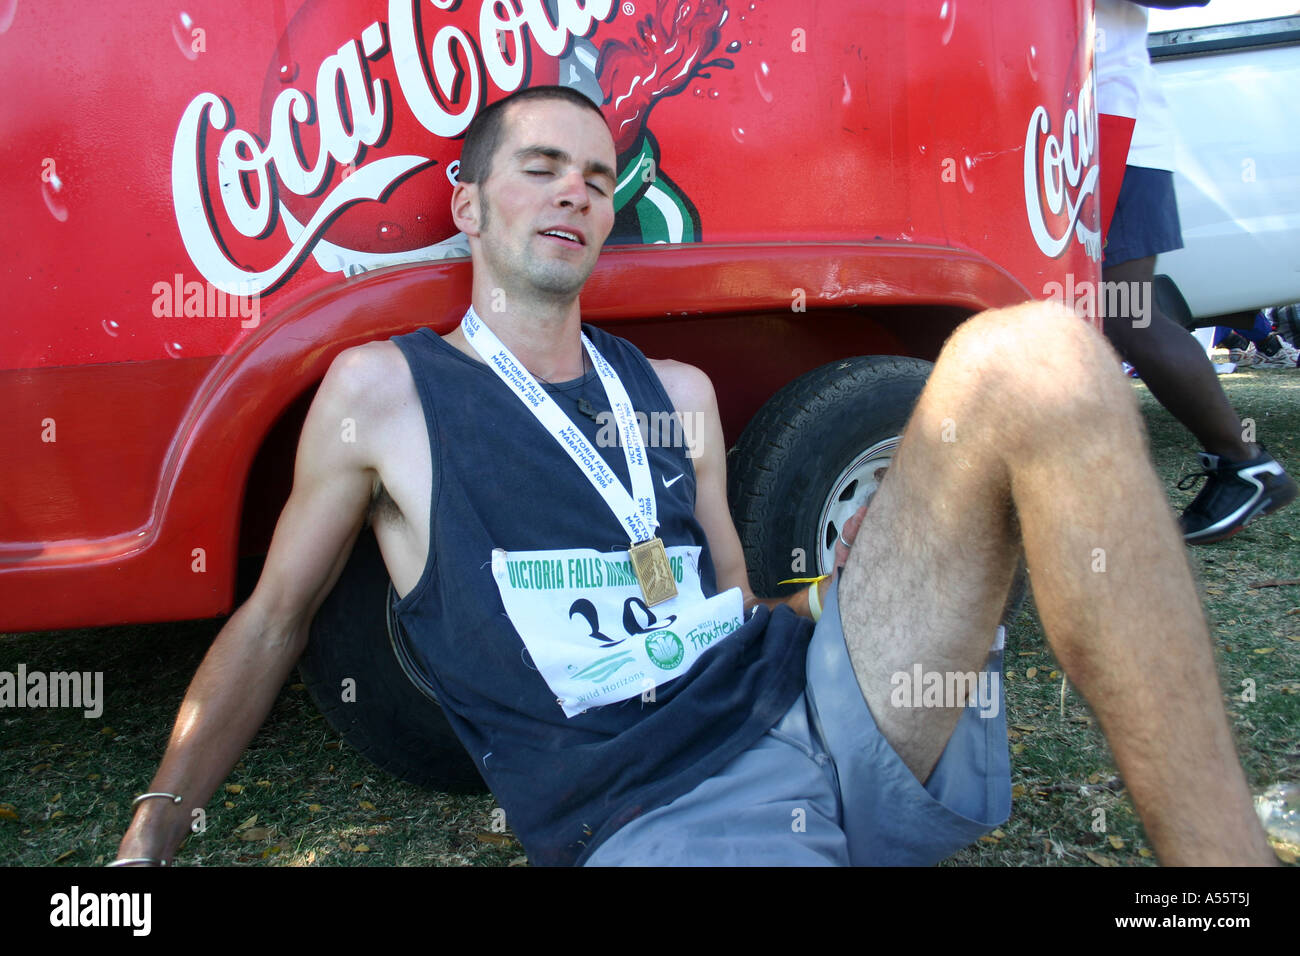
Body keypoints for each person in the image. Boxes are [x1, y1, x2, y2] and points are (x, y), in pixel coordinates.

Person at [115, 85, 1276, 867]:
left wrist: (837, 590)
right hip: (661, 809)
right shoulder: (384, 393)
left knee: (1041, 353)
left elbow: (731, 603)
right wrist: (152, 833)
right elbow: (271, 624)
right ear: (469, 204)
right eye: (540, 168)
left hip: (824, 697)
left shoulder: (675, 394)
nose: (575, 189)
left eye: (595, 174)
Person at [1095, 0, 1296, 543]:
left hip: (1112, 126)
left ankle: (1245, 463)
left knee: (1125, 314)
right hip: (1059, 126)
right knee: (1085, 313)